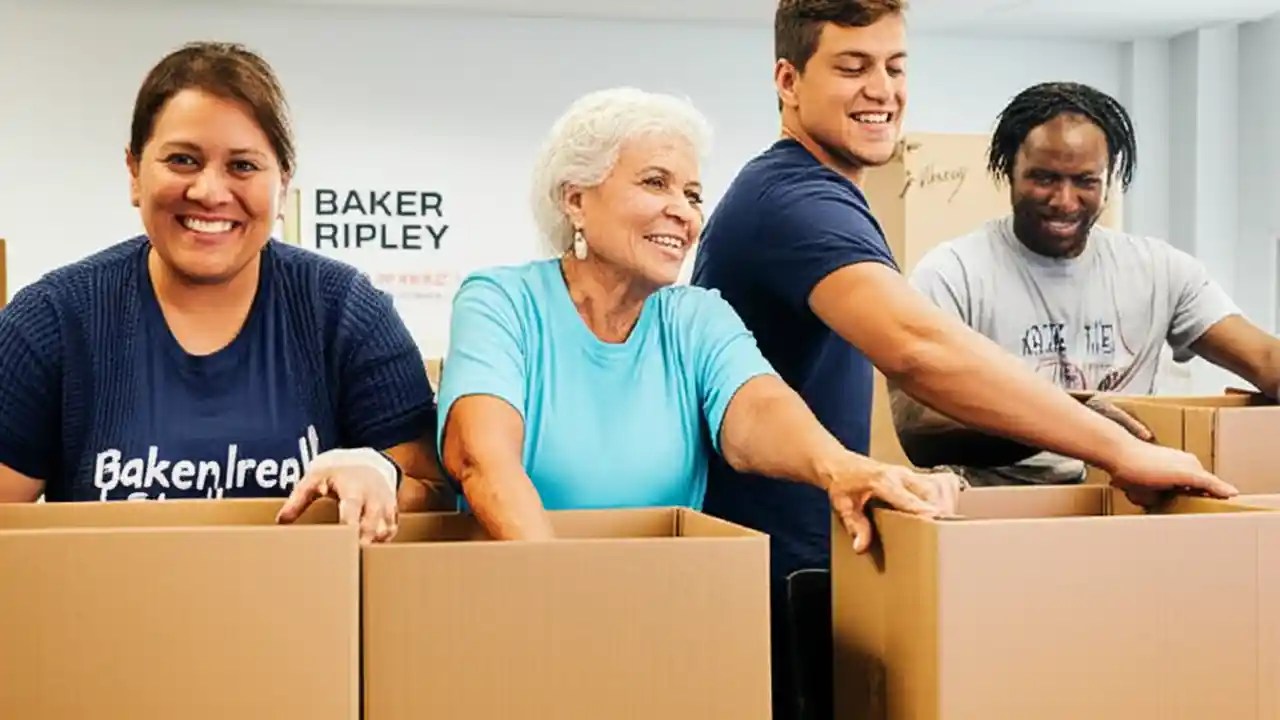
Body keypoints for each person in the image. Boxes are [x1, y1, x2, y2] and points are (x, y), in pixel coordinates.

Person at [688, 2, 1237, 718]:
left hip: (806, 556)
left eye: (895, 66)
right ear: (788, 80)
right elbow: (920, 351)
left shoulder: (816, 194)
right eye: (852, 67)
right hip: (777, 570)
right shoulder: (795, 202)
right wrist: (1117, 448)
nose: (881, 90)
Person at [435, 87, 966, 554]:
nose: (683, 211)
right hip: (522, 599)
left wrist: (840, 466)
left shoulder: (696, 316)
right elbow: (483, 461)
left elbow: (758, 409)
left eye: (691, 195)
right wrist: (568, 596)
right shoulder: (500, 302)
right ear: (575, 199)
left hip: (668, 605)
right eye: (655, 183)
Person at [0, 41, 441, 543]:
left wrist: (382, 473)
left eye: (243, 166)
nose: (210, 192)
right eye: (183, 160)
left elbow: (433, 487)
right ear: (134, 173)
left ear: (283, 186)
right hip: (105, 617)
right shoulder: (51, 322)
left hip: (304, 618)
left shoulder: (345, 312)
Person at [891, 80, 1280, 487]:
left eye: (1085, 181)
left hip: (1121, 504)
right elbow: (918, 432)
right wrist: (1075, 423)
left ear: (1108, 178)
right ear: (1008, 169)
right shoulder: (953, 275)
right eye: (1043, 178)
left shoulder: (1161, 271)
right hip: (998, 512)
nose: (1064, 200)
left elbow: (1264, 359)